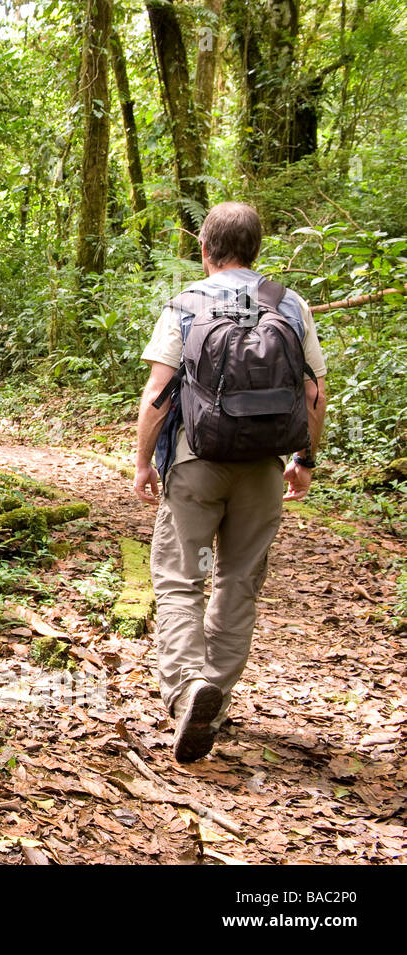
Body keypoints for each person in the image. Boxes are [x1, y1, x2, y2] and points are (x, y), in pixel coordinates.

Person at [132, 201, 328, 763]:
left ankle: (189, 689)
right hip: (262, 470)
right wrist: (304, 459)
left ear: (204, 248)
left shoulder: (186, 303)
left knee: (180, 578)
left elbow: (157, 395)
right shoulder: (290, 305)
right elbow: (314, 394)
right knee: (238, 580)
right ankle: (214, 697)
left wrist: (145, 462)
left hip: (197, 467)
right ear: (257, 249)